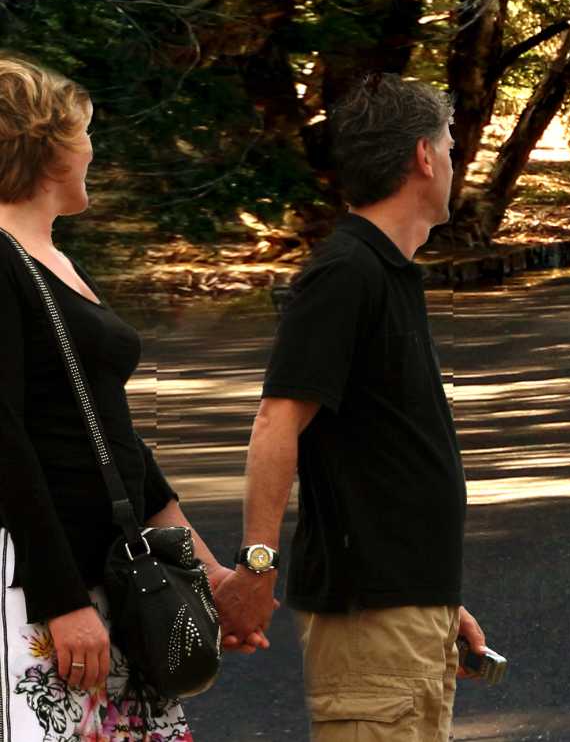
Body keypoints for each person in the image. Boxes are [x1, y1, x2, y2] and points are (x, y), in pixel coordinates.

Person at [217, 79, 492, 742]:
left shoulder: (388, 271)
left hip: (407, 609)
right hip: (371, 619)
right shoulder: (346, 272)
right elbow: (277, 421)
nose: (453, 162)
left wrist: (434, 598)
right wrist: (256, 567)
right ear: (423, 156)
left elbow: (384, 451)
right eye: (450, 147)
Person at [0, 55, 245, 741]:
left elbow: (114, 442)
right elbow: (4, 441)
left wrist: (207, 573)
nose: (93, 149)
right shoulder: (1, 260)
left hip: (112, 586)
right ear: (48, 147)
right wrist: (61, 601)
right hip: (44, 598)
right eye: (85, 133)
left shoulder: (54, 260)